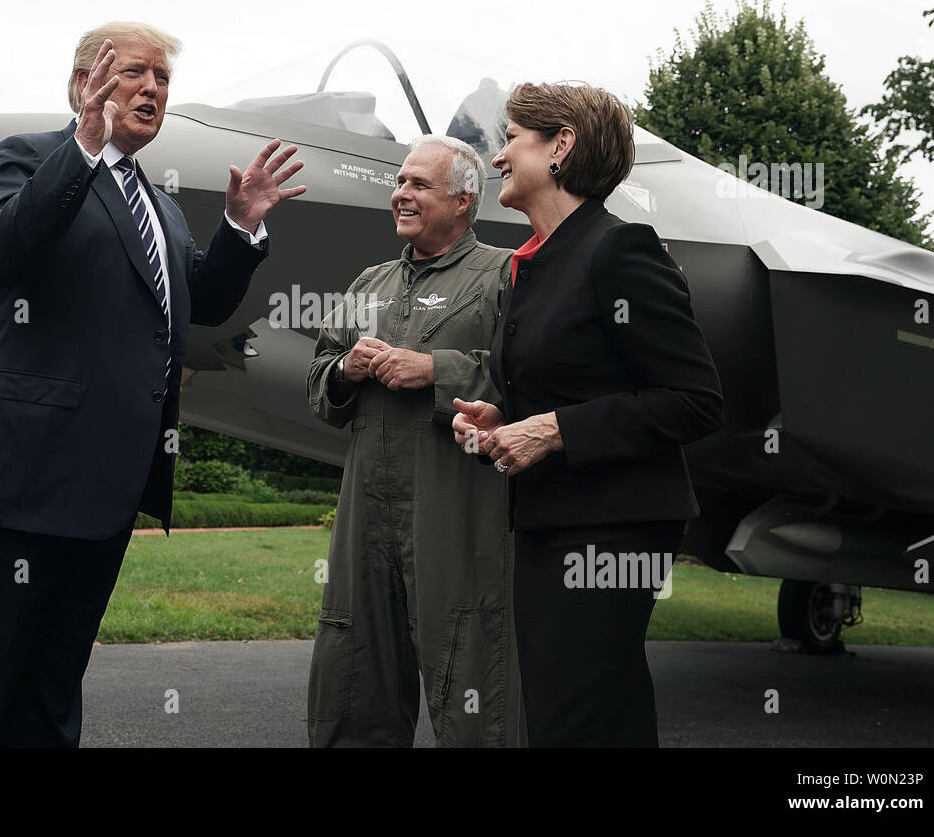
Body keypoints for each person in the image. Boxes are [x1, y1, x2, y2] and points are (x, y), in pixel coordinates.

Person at [0, 21, 306, 747]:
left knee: (51, 694)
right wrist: (84, 149)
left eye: (163, 80)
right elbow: (3, 252)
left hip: (102, 490)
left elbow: (198, 307)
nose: (153, 88)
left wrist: (241, 228)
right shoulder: (29, 159)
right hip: (13, 477)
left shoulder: (161, 208)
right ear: (86, 82)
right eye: (135, 73)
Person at [452, 82, 723, 747]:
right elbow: (570, 386)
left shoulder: (619, 249)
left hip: (613, 530)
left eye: (511, 137)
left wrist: (554, 430)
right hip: (551, 523)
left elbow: (694, 400)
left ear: (561, 145)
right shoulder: (531, 268)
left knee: (572, 720)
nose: (497, 158)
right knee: (602, 716)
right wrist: (501, 418)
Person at [306, 135, 524, 747]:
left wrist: (437, 371)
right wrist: (345, 369)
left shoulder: (504, 274)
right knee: (353, 676)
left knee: (474, 678)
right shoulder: (368, 283)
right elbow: (318, 385)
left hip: (457, 516)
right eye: (399, 183)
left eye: (419, 185)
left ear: (463, 199)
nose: (401, 194)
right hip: (364, 522)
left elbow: (531, 381)